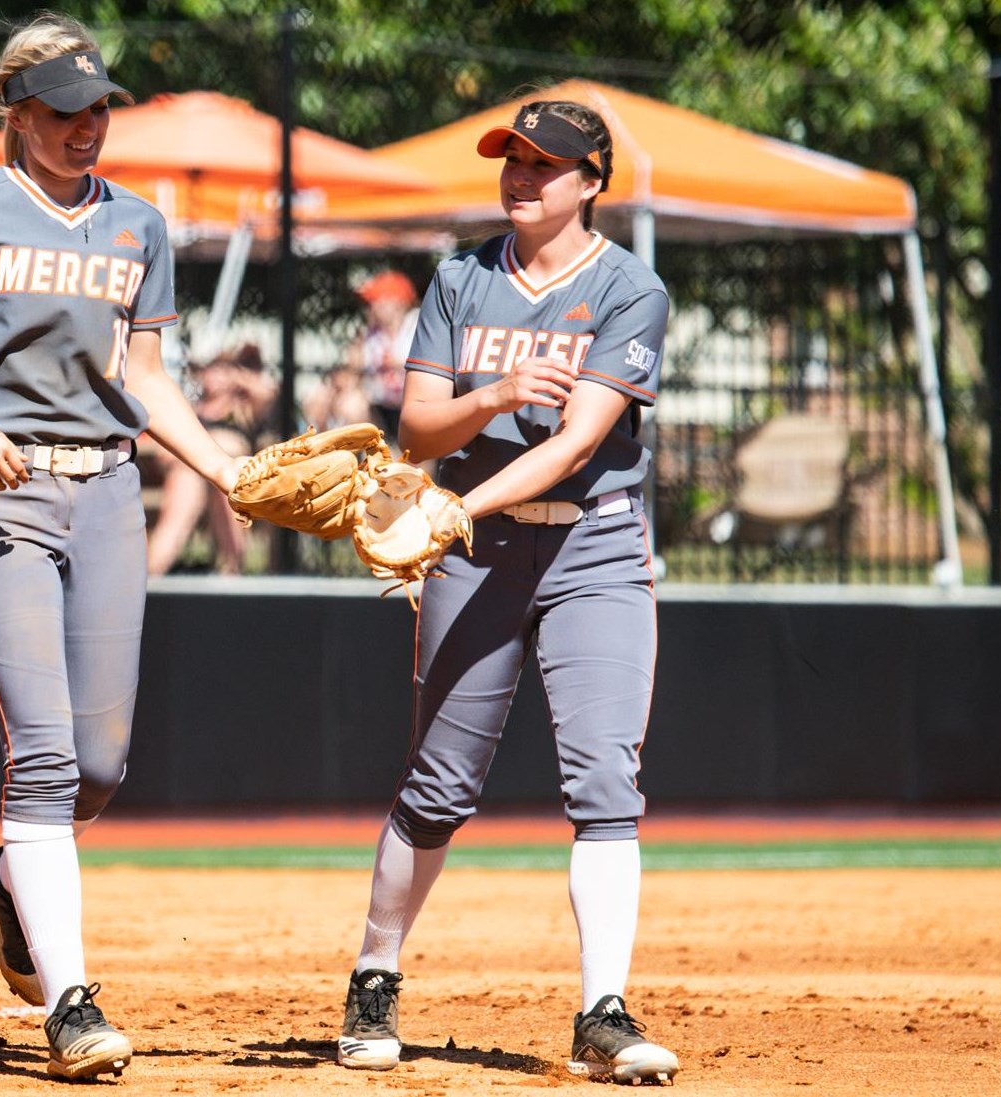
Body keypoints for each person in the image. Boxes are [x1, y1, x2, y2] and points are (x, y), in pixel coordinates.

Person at [0, 13, 241, 1080]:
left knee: (102, 763)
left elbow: (148, 379)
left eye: (97, 109)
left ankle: (8, 878)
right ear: (17, 115)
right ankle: (70, 1003)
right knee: (44, 752)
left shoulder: (138, 225)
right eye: (63, 112)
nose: (86, 129)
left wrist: (227, 472)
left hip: (107, 490)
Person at [333, 100, 679, 1085]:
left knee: (604, 780)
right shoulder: (457, 277)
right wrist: (486, 400)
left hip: (595, 549)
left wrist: (453, 507)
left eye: (546, 163)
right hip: (476, 554)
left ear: (591, 181)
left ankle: (600, 1010)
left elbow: (578, 443)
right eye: (512, 158)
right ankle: (374, 971)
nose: (521, 175)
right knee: (438, 785)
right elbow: (418, 432)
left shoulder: (629, 289)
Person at [146, 345, 276, 576]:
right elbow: (163, 451)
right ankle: (153, 575)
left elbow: (268, 393)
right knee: (185, 488)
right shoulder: (191, 409)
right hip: (192, 475)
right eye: (209, 370)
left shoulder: (241, 407)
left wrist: (238, 376)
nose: (212, 376)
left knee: (225, 479)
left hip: (229, 479)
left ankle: (232, 569)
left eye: (220, 370)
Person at [346, 269, 419, 437]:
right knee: (350, 403)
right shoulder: (372, 333)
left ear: (396, 303)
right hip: (381, 406)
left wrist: (397, 362)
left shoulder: (416, 324)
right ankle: (367, 457)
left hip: (412, 402)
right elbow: (354, 369)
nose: (372, 307)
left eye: (377, 301)